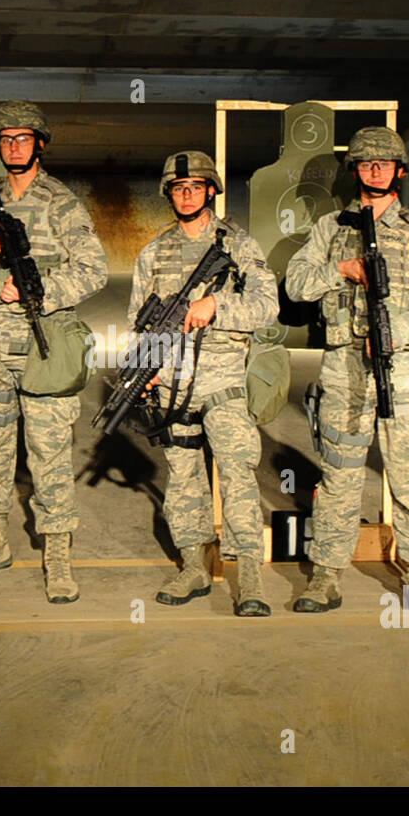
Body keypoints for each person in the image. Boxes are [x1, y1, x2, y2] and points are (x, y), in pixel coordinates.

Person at [0, 101, 106, 604]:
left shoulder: (61, 203)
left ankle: (57, 556)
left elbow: (94, 270)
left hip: (42, 347)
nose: (14, 146)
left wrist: (37, 291)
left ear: (40, 144)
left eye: (23, 138)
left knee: (50, 454)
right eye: (6, 139)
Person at [285, 127, 409, 611]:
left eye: (384, 163)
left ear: (399, 172)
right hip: (343, 370)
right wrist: (342, 270)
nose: (375, 170)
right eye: (365, 163)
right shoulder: (331, 229)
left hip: (401, 371)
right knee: (338, 474)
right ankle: (326, 575)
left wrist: (395, 329)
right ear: (354, 170)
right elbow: (296, 285)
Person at [129, 150, 279, 616]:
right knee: (183, 479)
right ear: (168, 195)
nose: (187, 194)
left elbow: (268, 306)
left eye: (195, 186)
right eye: (178, 188)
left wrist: (219, 308)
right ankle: (193, 566)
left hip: (225, 377)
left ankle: (249, 577)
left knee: (236, 476)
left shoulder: (238, 245)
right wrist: (145, 370)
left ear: (211, 189)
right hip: (174, 382)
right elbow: (139, 321)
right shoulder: (153, 252)